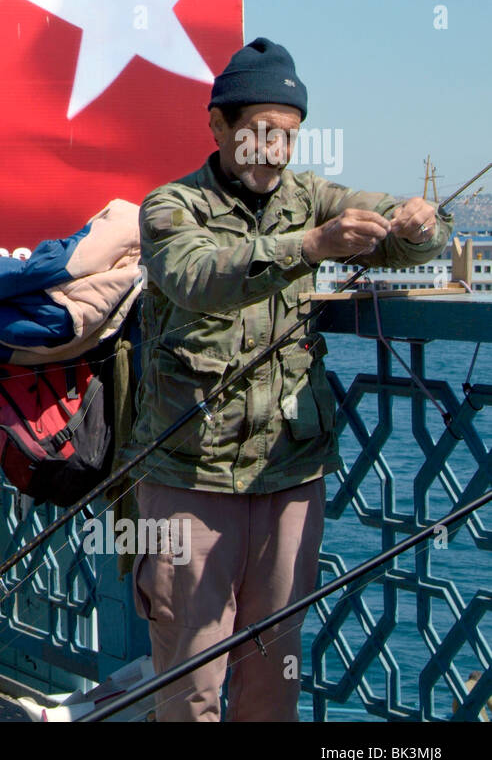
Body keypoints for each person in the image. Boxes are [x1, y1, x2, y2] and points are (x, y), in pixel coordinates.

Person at [129, 38, 452, 722]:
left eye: (289, 134)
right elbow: (192, 277)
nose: (274, 149)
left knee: (274, 672)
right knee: (189, 678)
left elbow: (406, 239)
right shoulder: (170, 206)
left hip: (290, 475)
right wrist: (308, 247)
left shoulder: (315, 197)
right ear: (218, 126)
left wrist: (421, 224)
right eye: (258, 133)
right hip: (191, 476)